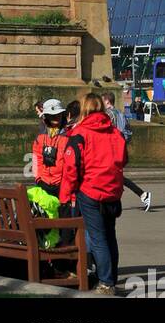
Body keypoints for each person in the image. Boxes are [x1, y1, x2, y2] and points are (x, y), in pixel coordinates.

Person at [59, 92, 127, 296]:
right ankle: (110, 278)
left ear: (84, 109)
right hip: (112, 191)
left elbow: (71, 169)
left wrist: (65, 196)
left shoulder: (80, 134)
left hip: (90, 191)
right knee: (110, 236)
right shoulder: (115, 132)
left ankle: (106, 283)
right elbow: (123, 159)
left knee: (98, 238)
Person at [103, 91, 150, 209]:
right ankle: (142, 194)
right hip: (120, 148)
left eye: (103, 101)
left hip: (111, 150)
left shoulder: (108, 115)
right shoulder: (120, 114)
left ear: (107, 101)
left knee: (112, 176)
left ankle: (142, 194)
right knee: (116, 176)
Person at [31, 99, 69, 199]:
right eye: (51, 115)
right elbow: (37, 158)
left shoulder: (68, 136)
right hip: (43, 183)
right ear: (46, 116)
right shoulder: (40, 136)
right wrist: (38, 178)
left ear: (62, 115)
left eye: (58, 114)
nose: (55, 117)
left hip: (62, 185)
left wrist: (64, 182)